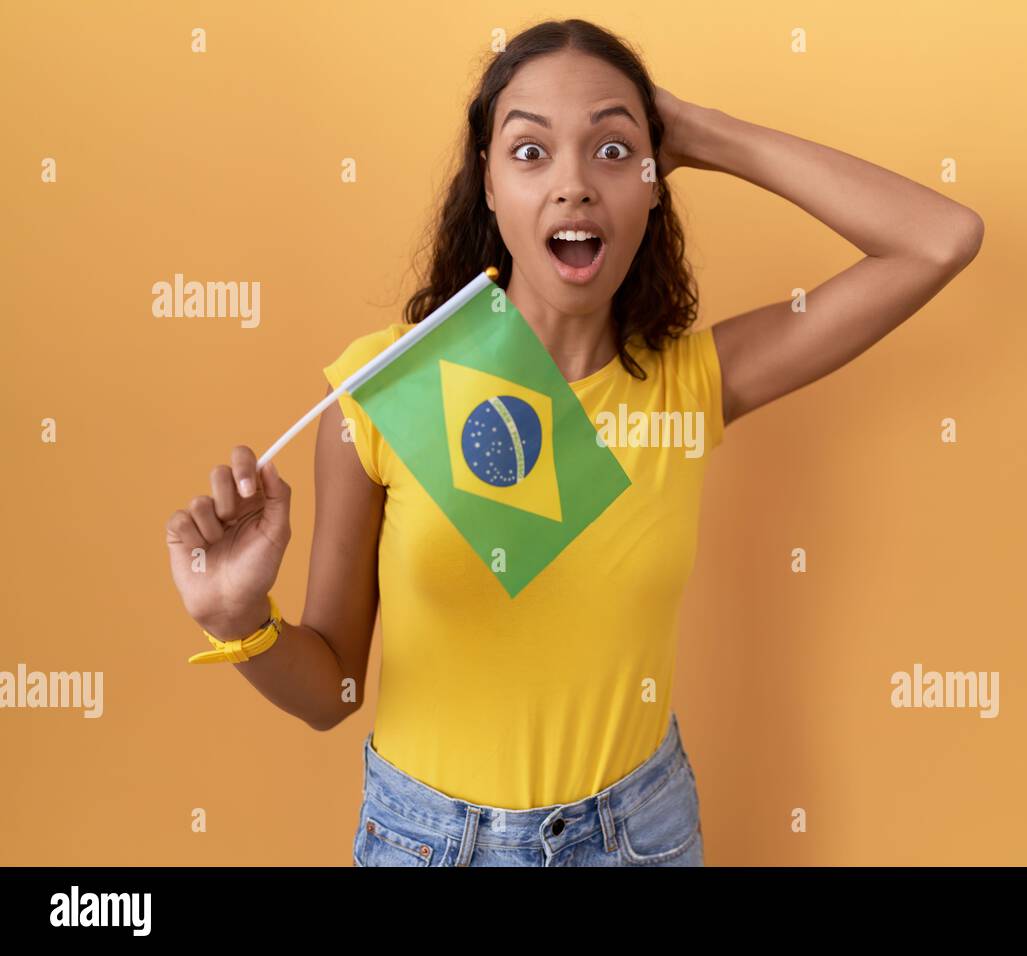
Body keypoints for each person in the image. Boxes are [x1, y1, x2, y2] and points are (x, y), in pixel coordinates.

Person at [164, 18, 983, 867]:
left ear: (655, 182)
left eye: (613, 150)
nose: (574, 185)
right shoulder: (387, 390)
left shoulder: (691, 385)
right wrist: (241, 620)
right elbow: (333, 691)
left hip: (641, 835)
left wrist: (697, 131)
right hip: (430, 843)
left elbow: (939, 239)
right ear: (485, 183)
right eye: (529, 152)